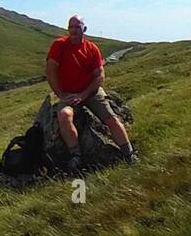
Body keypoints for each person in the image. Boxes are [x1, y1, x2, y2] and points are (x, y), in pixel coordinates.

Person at [43, 15, 133, 165]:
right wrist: (61, 95)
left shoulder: (92, 49)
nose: (73, 30)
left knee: (111, 119)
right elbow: (51, 70)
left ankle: (129, 154)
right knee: (65, 116)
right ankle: (75, 156)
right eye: (70, 27)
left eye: (77, 27)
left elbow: (100, 76)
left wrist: (84, 94)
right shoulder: (59, 45)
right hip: (68, 94)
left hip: (90, 92)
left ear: (84, 29)